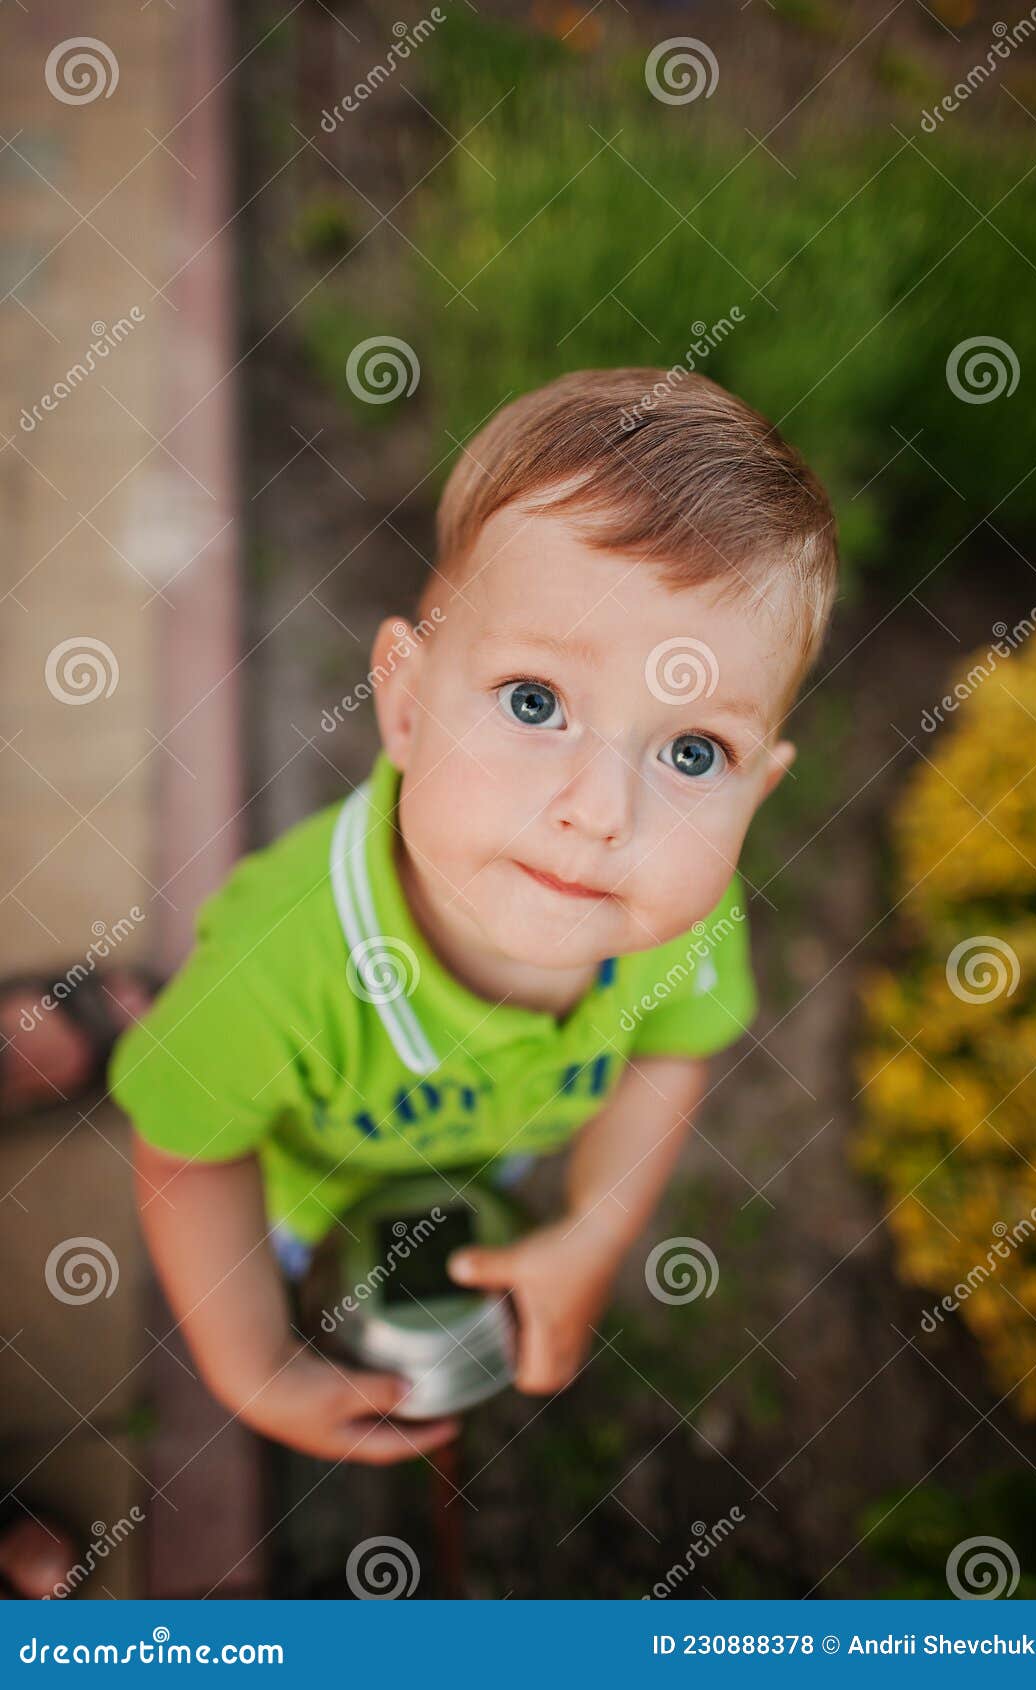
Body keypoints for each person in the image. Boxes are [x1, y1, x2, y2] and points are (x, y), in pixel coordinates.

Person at [108, 368, 839, 1467]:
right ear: (404, 704)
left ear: (760, 788)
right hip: (298, 1183)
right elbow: (187, 1155)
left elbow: (670, 1055)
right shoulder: (283, 965)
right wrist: (253, 1364)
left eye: (694, 752)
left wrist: (591, 1232)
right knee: (263, 1230)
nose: (600, 813)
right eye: (536, 702)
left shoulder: (682, 918)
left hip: (476, 1159)